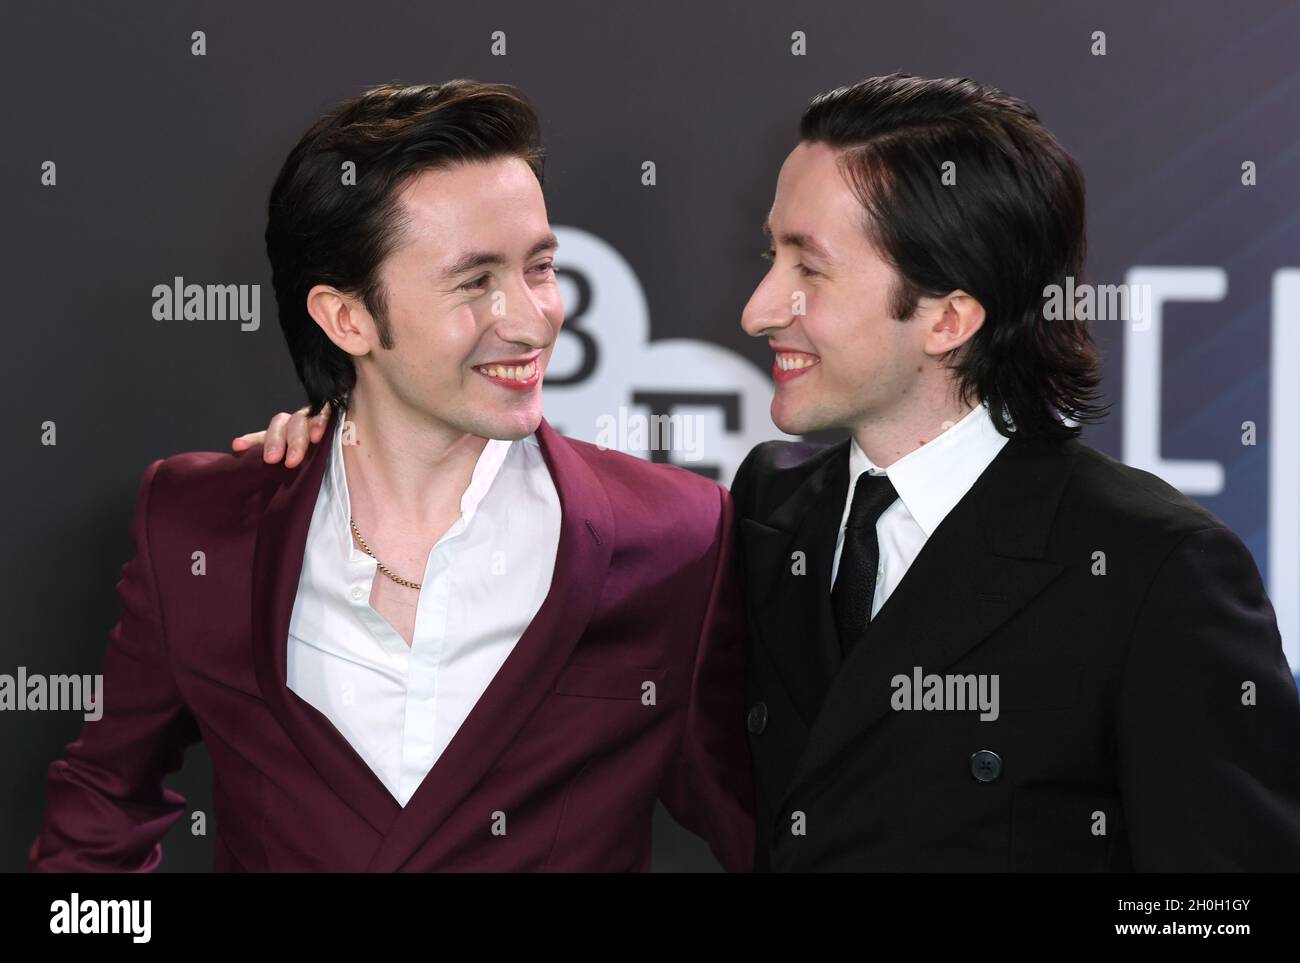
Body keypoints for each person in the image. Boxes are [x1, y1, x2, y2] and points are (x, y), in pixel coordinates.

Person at [239, 74, 1300, 873]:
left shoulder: (1150, 568)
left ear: (947, 315)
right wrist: (350, 444)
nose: (757, 310)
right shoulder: (763, 513)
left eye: (808, 268)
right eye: (769, 257)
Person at [29, 80, 754, 872]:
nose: (532, 316)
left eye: (540, 266)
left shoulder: (678, 539)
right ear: (348, 318)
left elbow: (771, 836)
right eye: (475, 280)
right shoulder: (200, 526)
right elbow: (99, 809)